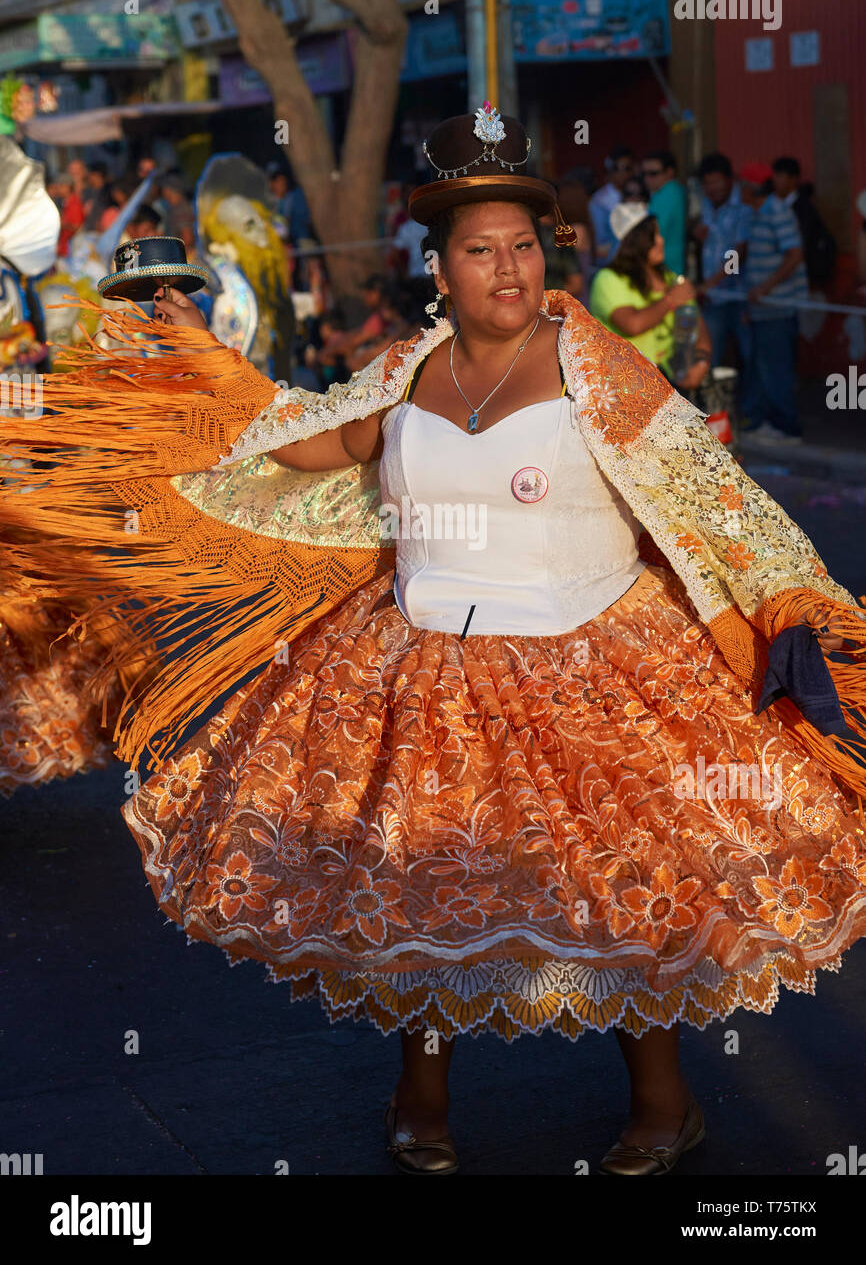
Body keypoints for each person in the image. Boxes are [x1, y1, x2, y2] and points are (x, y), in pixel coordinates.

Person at [4, 106, 866, 1181]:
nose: (505, 269)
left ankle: (663, 1099)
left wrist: (783, 611)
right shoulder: (404, 370)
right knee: (417, 886)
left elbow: (717, 503)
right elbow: (296, 440)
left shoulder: (599, 372)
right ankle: (421, 1098)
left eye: (521, 245)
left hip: (587, 661)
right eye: (478, 250)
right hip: (423, 668)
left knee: (615, 890)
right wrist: (184, 371)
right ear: (439, 267)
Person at [589, 201, 710, 390]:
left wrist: (701, 360)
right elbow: (632, 324)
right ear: (634, 242)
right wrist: (671, 300)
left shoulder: (667, 276)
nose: (661, 241)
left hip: (673, 384)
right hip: (629, 389)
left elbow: (695, 320)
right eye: (653, 235)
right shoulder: (608, 279)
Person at [739, 161, 808, 443]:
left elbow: (794, 255)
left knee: (775, 368)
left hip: (777, 306)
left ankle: (786, 427)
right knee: (759, 365)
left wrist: (765, 289)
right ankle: (759, 422)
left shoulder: (777, 210)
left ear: (751, 188)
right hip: (760, 308)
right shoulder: (754, 212)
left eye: (741, 185)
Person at [693, 152, 752, 368]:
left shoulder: (744, 207)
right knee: (711, 357)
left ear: (729, 179)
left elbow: (739, 254)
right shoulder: (707, 205)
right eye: (707, 183)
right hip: (714, 298)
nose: (712, 187)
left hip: (741, 296)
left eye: (716, 181)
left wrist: (710, 283)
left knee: (750, 356)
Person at [771, 156, 837, 291]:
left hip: (804, 279)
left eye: (780, 175)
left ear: (793, 178)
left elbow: (801, 245)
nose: (775, 180)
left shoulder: (803, 207)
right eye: (775, 175)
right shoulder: (778, 205)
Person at [589, 146, 635, 268]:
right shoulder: (599, 201)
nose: (622, 173)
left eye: (627, 168)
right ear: (609, 170)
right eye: (616, 168)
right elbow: (600, 245)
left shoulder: (641, 193)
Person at [642, 149, 687, 276]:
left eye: (653, 173)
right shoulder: (671, 191)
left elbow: (652, 232)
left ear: (669, 172)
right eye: (644, 174)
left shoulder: (669, 193)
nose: (647, 178)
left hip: (666, 270)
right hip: (669, 268)